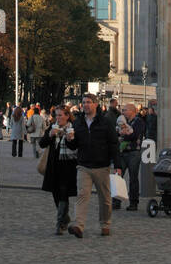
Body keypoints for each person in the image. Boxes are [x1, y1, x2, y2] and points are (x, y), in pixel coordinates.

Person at [67, 94, 121, 238]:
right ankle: (78, 225)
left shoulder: (105, 122)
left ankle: (105, 224)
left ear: (96, 104)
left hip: (102, 166)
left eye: (89, 102)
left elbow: (113, 144)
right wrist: (69, 140)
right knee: (82, 195)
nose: (86, 105)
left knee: (105, 199)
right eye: (84, 103)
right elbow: (73, 145)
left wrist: (117, 164)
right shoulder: (78, 123)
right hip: (84, 165)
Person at [40, 105, 78, 234]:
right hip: (53, 166)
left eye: (61, 115)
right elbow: (42, 143)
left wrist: (70, 138)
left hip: (68, 166)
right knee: (56, 193)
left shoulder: (73, 128)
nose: (58, 118)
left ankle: (60, 223)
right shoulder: (52, 127)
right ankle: (65, 217)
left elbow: (75, 146)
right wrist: (50, 135)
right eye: (56, 115)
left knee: (63, 194)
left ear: (67, 116)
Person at [117, 102, 145, 212]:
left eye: (125, 110)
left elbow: (135, 135)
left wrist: (124, 134)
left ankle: (134, 202)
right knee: (119, 176)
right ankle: (116, 201)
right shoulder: (124, 121)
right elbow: (118, 133)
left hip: (134, 152)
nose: (123, 112)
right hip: (123, 152)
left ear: (132, 111)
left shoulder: (139, 121)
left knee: (133, 178)